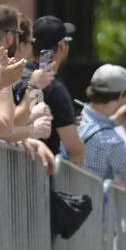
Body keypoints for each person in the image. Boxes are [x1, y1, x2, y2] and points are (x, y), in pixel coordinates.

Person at [29, 15, 83, 163]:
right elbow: (74, 149)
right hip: (42, 175)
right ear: (62, 47)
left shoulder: (13, 75)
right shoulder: (55, 90)